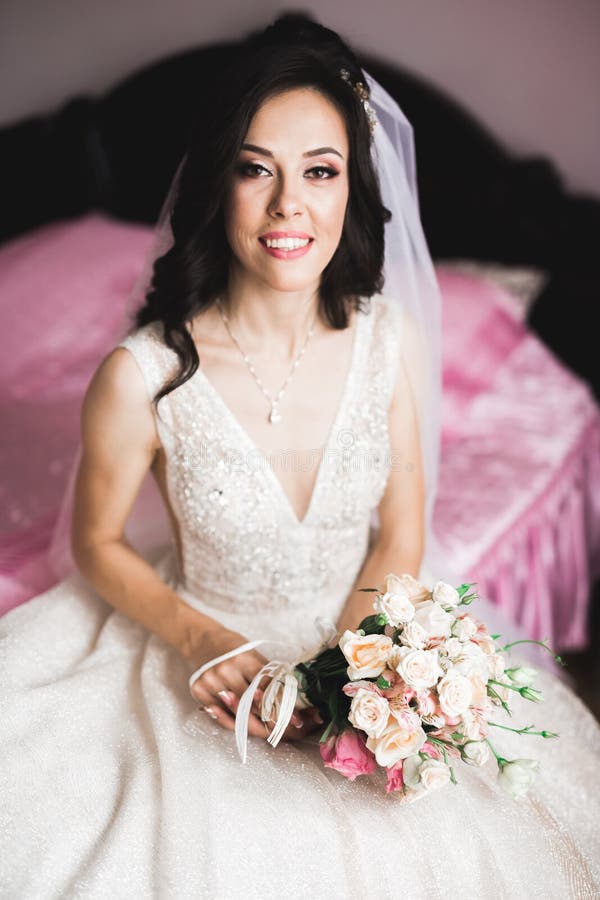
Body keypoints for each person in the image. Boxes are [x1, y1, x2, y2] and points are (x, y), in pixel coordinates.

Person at [1, 13, 599, 900]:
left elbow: (401, 530)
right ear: (218, 182)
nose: (289, 205)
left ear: (353, 185)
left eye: (320, 171)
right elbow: (97, 544)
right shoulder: (143, 375)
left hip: (363, 631)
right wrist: (201, 639)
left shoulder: (390, 342)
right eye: (256, 170)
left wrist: (348, 673)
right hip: (205, 640)